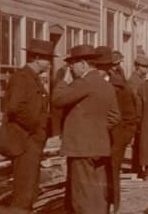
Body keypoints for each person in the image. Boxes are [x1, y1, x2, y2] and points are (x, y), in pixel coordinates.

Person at [51, 44, 121, 214]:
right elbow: (115, 116)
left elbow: (57, 99)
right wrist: (97, 130)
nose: (71, 68)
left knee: (82, 195)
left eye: (72, 64)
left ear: (82, 63)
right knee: (97, 192)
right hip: (100, 147)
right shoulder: (106, 84)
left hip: (81, 149)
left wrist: (64, 81)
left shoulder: (84, 82)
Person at [0, 39, 57, 213]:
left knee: (30, 189)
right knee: (24, 191)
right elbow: (14, 108)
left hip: (32, 141)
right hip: (25, 141)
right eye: (47, 59)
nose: (50, 63)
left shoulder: (32, 78)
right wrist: (35, 126)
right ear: (36, 58)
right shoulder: (22, 78)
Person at [94, 48, 139, 214]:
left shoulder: (119, 86)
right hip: (96, 137)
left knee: (111, 173)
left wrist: (123, 138)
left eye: (100, 67)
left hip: (115, 138)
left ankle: (112, 207)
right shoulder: (91, 84)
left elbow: (131, 114)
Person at [128, 54, 148, 176]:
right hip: (137, 116)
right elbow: (137, 101)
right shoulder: (134, 81)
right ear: (137, 67)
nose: (147, 70)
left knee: (139, 143)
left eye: (147, 67)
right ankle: (137, 168)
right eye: (144, 67)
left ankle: (137, 167)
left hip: (140, 115)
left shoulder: (140, 80)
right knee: (138, 143)